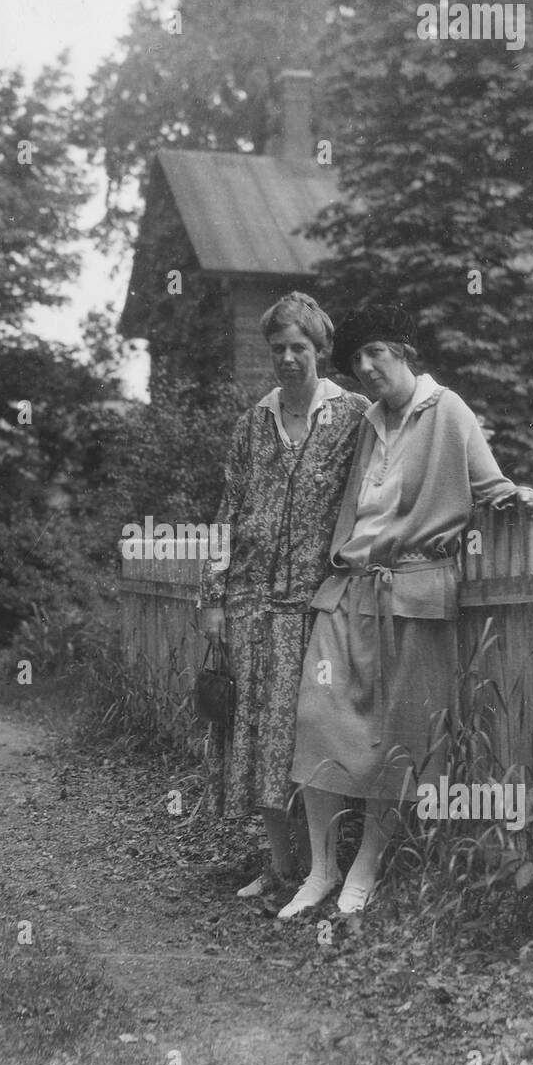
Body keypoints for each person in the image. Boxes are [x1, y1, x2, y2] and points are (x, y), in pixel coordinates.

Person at [280, 303, 533, 919]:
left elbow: (489, 483)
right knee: (316, 718)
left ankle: (366, 867)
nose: (366, 368)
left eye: (376, 352)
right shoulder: (367, 423)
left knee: (400, 739)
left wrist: (519, 497)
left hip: (416, 594)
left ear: (403, 351)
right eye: (354, 361)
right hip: (347, 589)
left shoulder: (447, 410)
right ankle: (322, 869)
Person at [199, 292, 368, 898]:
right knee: (255, 733)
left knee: (309, 732)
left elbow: (386, 478)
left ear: (320, 349)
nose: (289, 359)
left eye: (300, 347)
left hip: (316, 604)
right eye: (278, 349)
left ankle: (324, 868)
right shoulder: (252, 424)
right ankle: (280, 866)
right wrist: (214, 598)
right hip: (250, 604)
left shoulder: (352, 416)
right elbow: (227, 515)